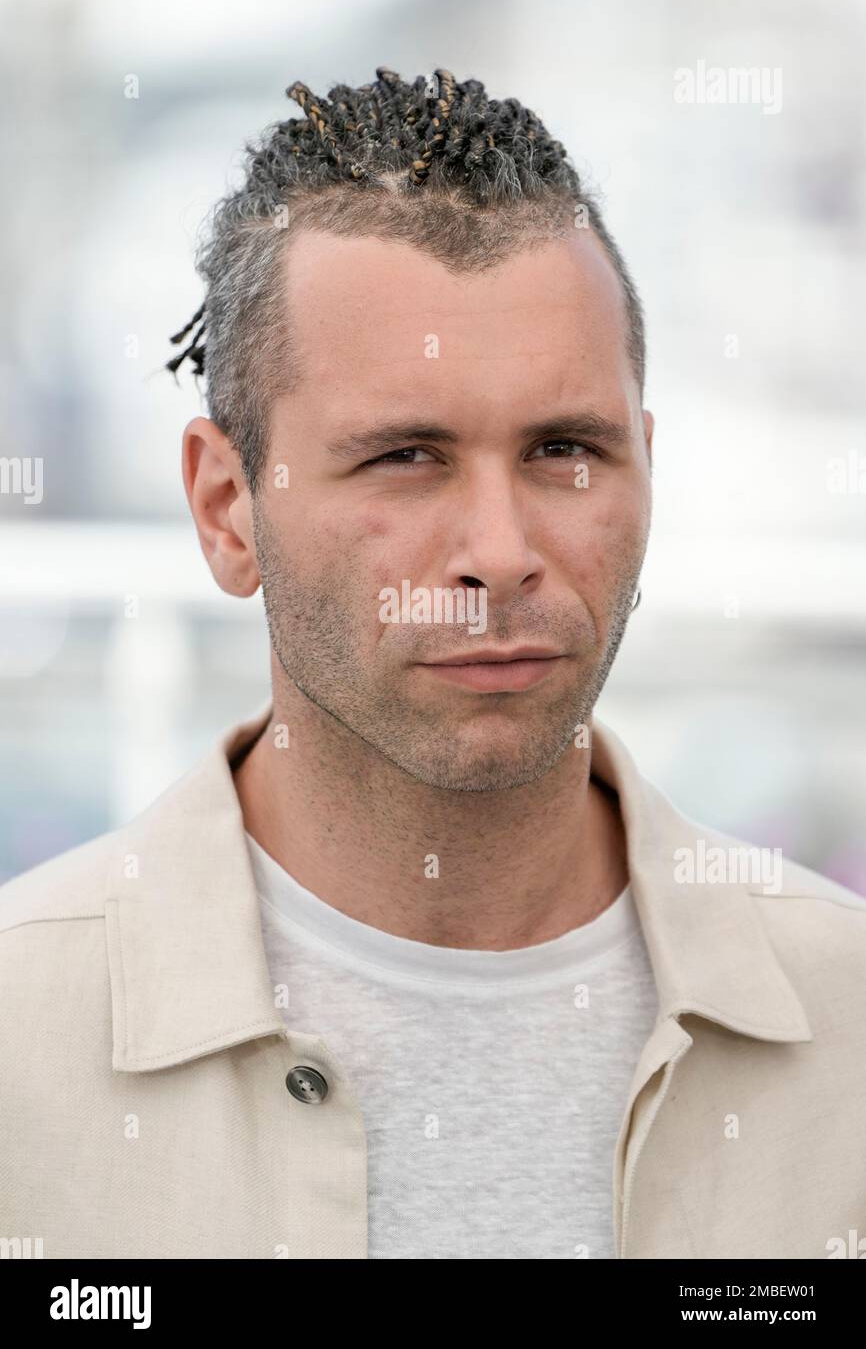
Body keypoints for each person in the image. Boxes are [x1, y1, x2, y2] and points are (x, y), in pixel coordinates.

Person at [1, 67, 864, 1261]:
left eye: (564, 450)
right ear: (226, 508)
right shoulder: (22, 1044)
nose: (499, 553)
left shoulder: (844, 1028)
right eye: (405, 456)